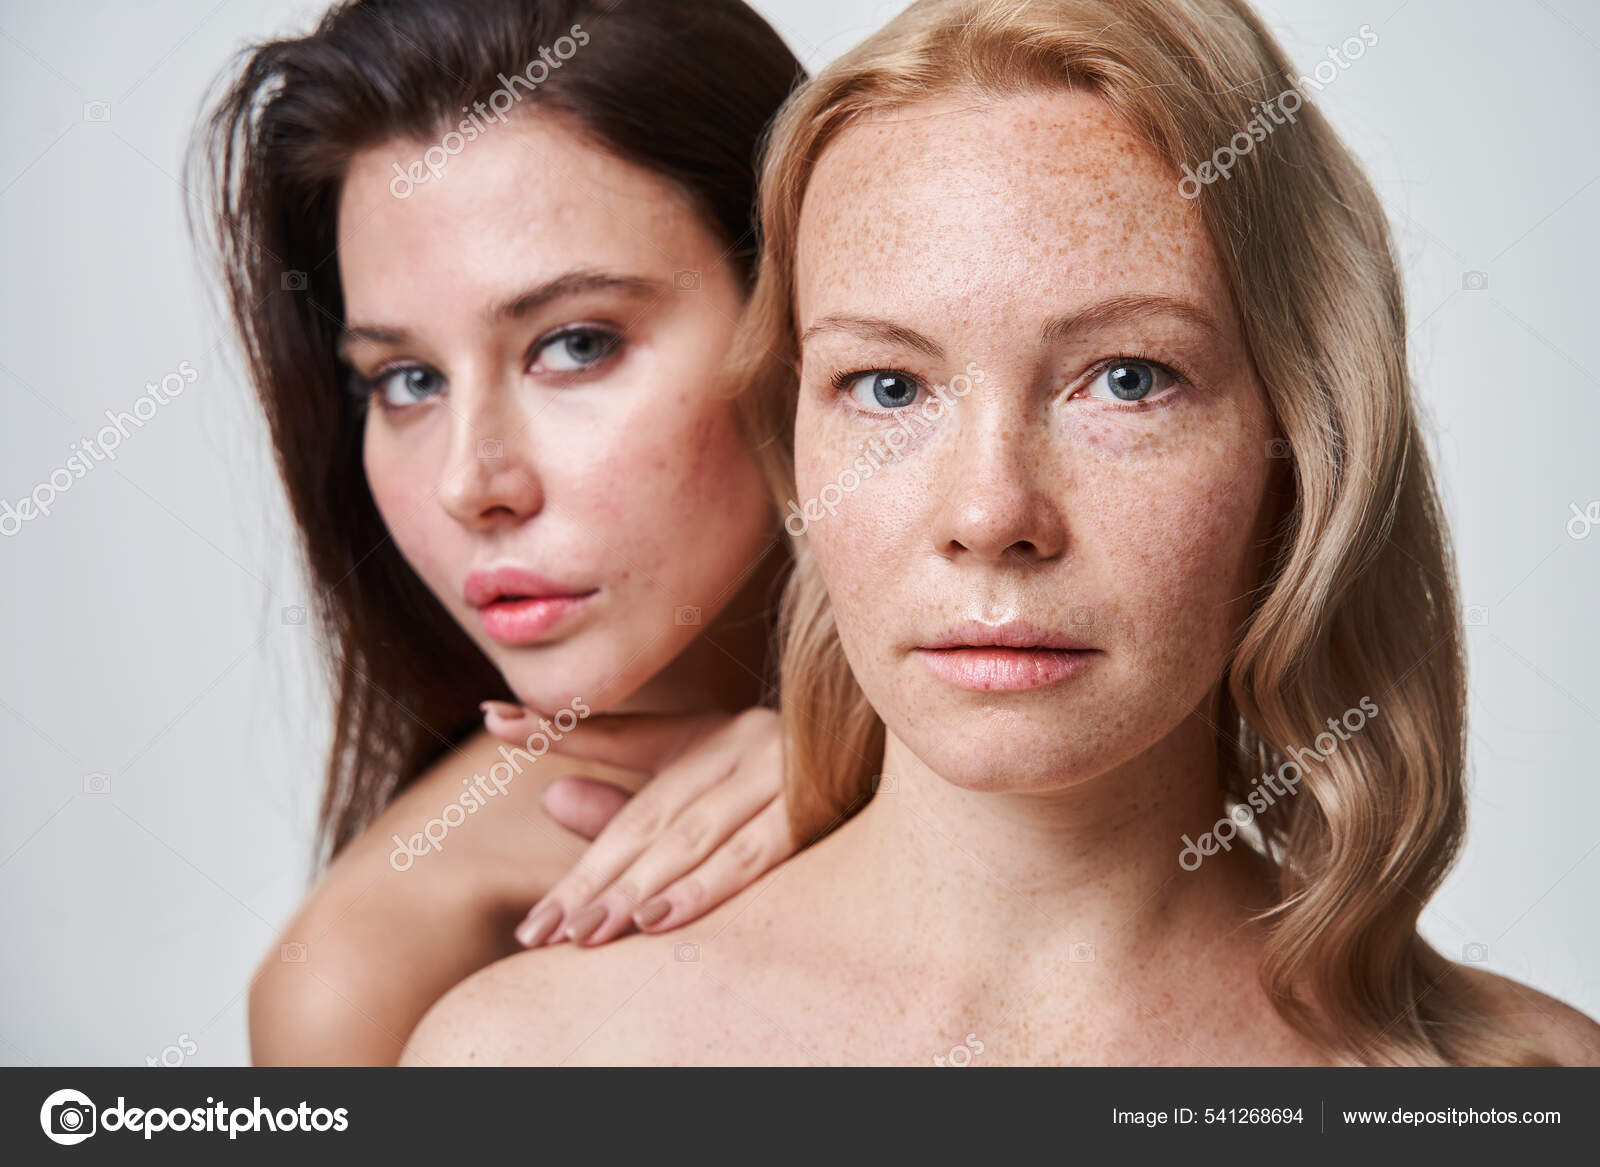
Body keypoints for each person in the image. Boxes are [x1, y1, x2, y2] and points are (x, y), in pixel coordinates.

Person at [402, 0, 1600, 1066]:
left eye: (1127, 379)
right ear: (791, 445)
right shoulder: (532, 1063)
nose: (989, 516)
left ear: (1303, 442)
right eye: (887, 388)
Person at [192, 0, 807, 1064]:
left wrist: (884, 774)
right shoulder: (369, 985)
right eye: (408, 380)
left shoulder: (1132, 731)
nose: (472, 483)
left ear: (796, 312)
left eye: (573, 345)